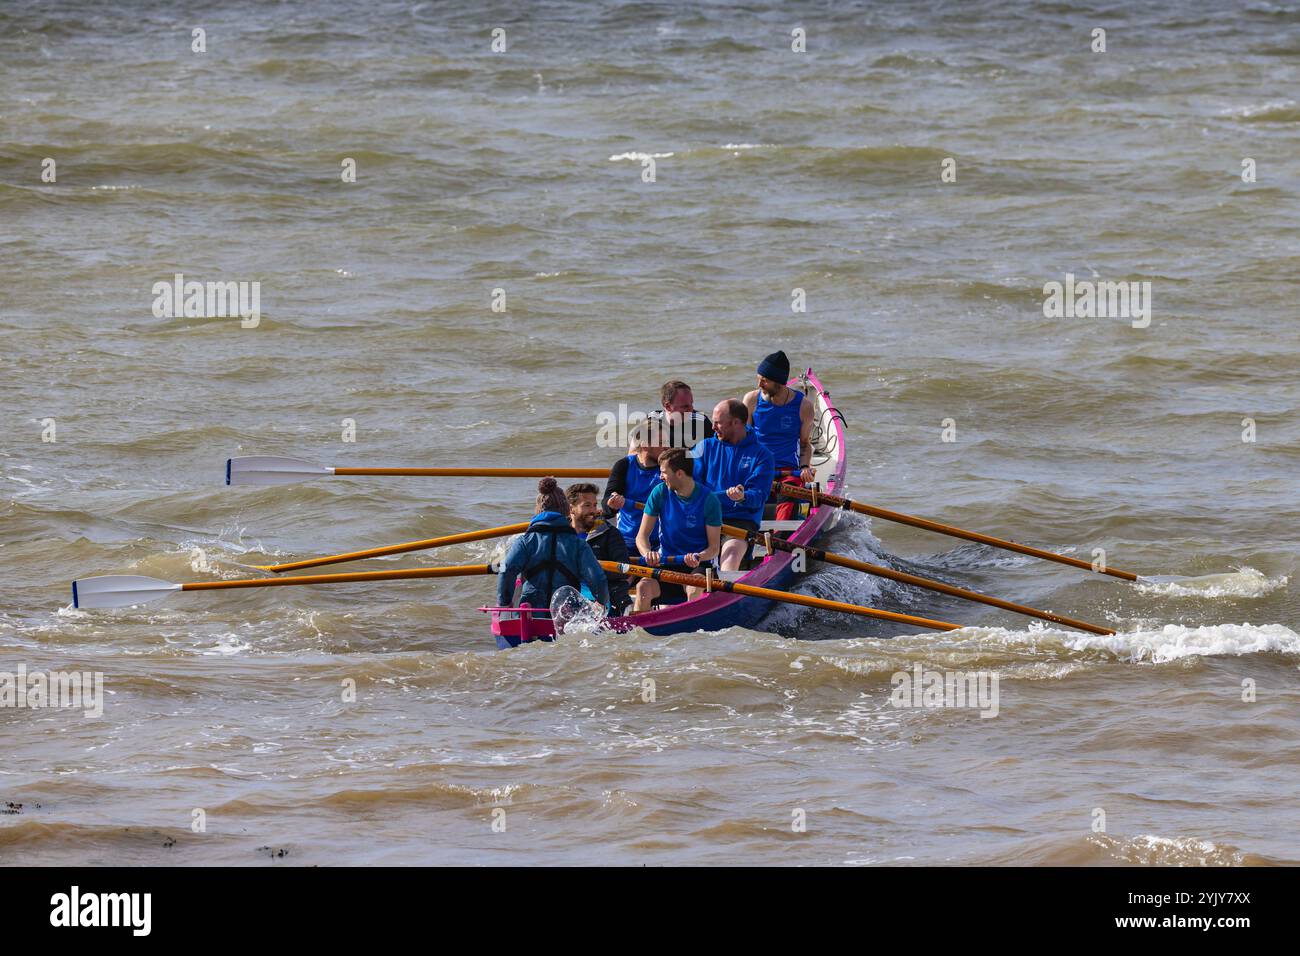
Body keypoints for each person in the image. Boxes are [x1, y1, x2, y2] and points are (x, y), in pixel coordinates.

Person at [496, 477, 610, 613]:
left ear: (538, 511)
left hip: (531, 611)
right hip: (566, 613)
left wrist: (505, 603)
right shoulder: (578, 544)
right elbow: (597, 578)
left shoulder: (524, 541)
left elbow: (506, 570)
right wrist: (601, 602)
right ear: (566, 511)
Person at [632, 448, 722, 613]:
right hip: (668, 562)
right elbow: (641, 537)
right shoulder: (659, 492)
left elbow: (714, 548)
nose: (660, 476)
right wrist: (647, 554)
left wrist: (698, 556)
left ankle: (692, 633)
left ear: (679, 473)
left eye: (664, 472)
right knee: (643, 588)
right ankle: (640, 632)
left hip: (698, 566)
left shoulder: (709, 500)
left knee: (694, 588)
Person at [692, 399, 776, 571]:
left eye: (718, 423)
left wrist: (743, 497)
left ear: (737, 423)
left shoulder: (762, 455)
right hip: (704, 518)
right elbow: (690, 486)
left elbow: (759, 496)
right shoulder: (704, 448)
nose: (713, 427)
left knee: (729, 560)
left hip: (740, 521)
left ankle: (725, 587)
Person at [743, 350, 815, 522]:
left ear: (779, 383)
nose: (759, 384)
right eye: (758, 378)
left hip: (787, 472)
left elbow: (805, 445)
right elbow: (743, 441)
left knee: (789, 498)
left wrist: (804, 467)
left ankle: (780, 542)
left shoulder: (803, 406)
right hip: (758, 468)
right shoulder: (751, 400)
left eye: (764, 380)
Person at [566, 481, 632, 614]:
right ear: (571, 509)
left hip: (607, 593)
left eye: (595, 505)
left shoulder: (609, 533)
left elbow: (623, 569)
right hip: (570, 591)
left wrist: (591, 570)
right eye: (587, 505)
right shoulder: (561, 535)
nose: (593, 510)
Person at [603, 421, 665, 554]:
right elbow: (606, 505)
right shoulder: (624, 465)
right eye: (661, 442)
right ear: (644, 444)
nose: (667, 447)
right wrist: (613, 503)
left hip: (660, 541)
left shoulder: (667, 468)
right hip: (627, 540)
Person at [631, 380, 711, 453]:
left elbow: (715, 453)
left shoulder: (701, 422)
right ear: (668, 406)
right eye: (685, 406)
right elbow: (633, 454)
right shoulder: (652, 420)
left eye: (691, 404)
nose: (691, 409)